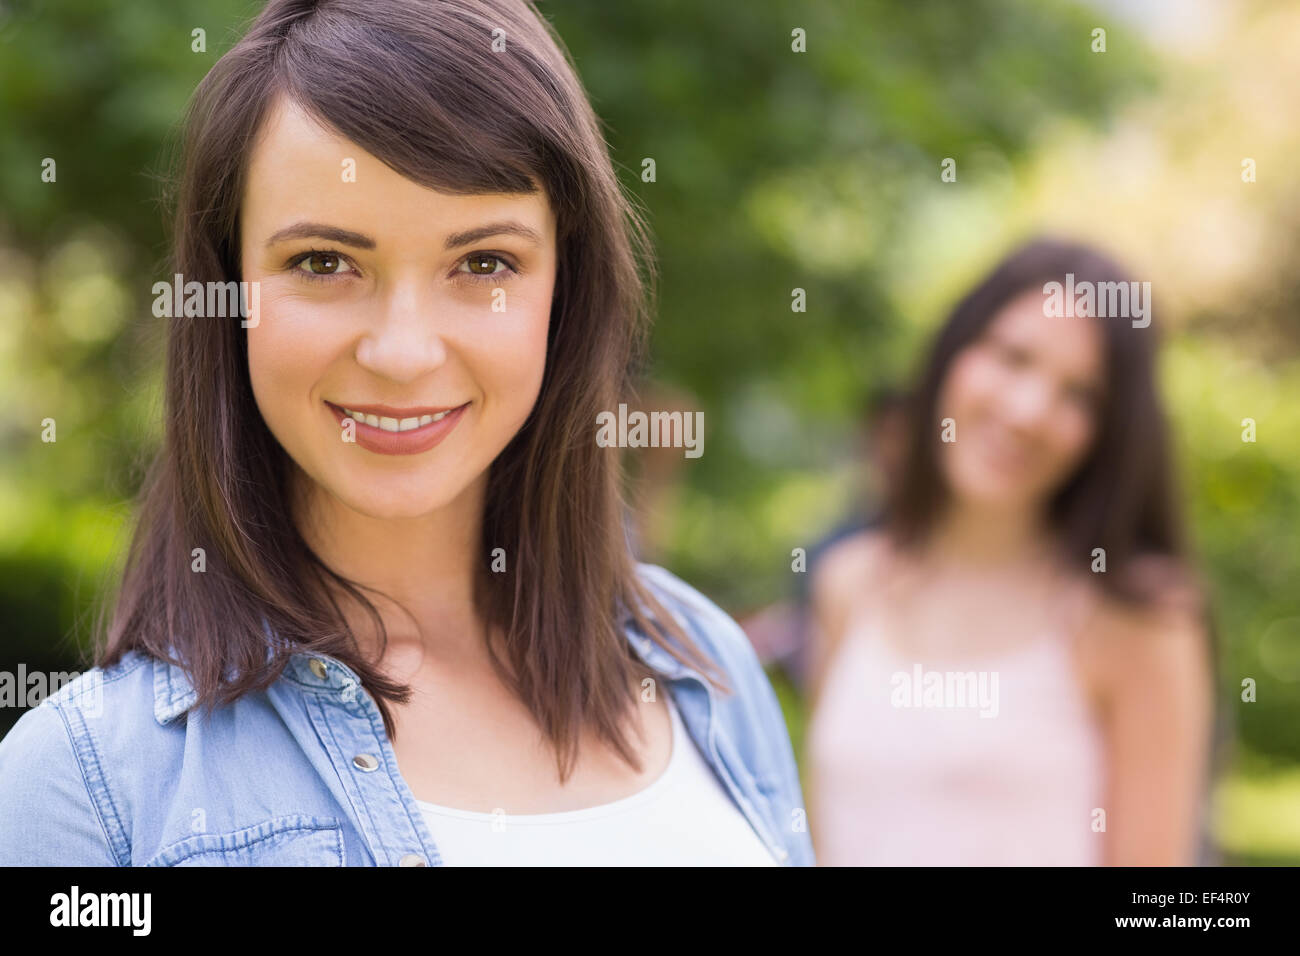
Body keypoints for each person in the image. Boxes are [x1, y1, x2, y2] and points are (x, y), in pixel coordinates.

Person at [0, 0, 810, 867]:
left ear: (563, 292)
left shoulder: (701, 666)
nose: (403, 352)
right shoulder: (84, 787)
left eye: (484, 263)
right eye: (323, 263)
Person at [805, 238, 1218, 866]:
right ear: (954, 352)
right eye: (1013, 357)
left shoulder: (1136, 617)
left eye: (1079, 395)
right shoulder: (848, 583)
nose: (1028, 410)